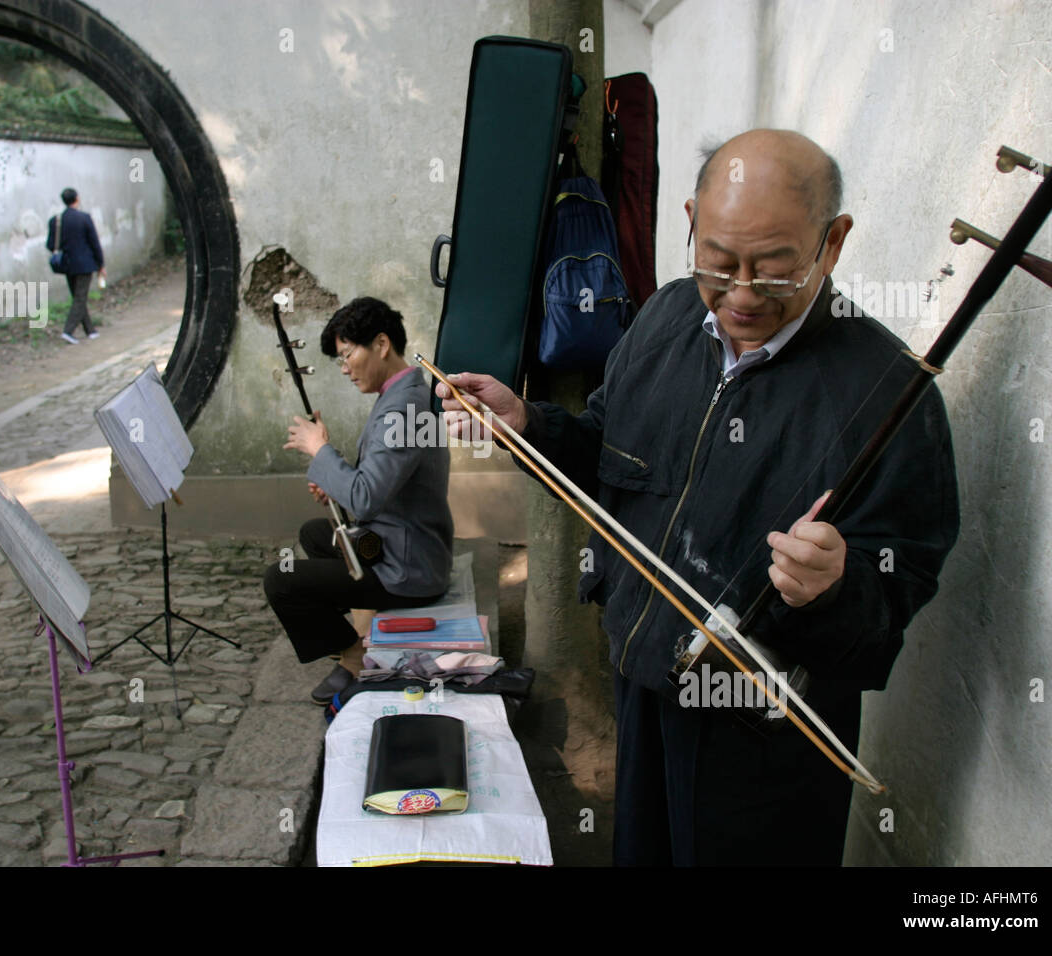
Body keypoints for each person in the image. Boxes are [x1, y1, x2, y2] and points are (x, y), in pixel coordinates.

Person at [439, 129, 960, 865]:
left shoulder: (890, 396)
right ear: (690, 223)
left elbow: (898, 590)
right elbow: (611, 462)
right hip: (645, 674)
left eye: (775, 271)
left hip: (765, 735)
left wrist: (836, 585)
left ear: (833, 242)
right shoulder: (667, 316)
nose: (742, 295)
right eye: (719, 263)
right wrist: (530, 424)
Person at [264, 297, 454, 704]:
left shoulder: (402, 407)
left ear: (382, 344)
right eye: (339, 360)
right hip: (405, 544)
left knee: (281, 580)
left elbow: (366, 498)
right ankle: (357, 634)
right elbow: (381, 482)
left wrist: (320, 452)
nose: (345, 368)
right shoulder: (404, 393)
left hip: (407, 570)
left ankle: (354, 655)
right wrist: (334, 478)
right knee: (316, 534)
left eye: (348, 354)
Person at [46, 187, 105, 344]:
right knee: (80, 298)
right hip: (85, 265)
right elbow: (94, 243)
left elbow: (50, 245)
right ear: (77, 199)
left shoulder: (56, 220)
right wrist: (101, 264)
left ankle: (90, 330)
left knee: (78, 297)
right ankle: (68, 331)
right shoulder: (84, 218)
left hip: (67, 265)